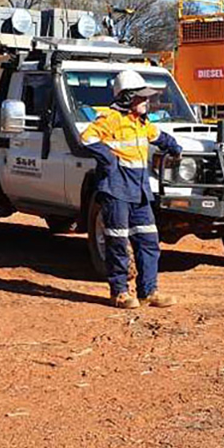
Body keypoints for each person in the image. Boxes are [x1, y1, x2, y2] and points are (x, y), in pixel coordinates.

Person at [80, 70, 183, 309]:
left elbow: (158, 136)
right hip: (116, 188)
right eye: (141, 97)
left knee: (148, 240)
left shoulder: (142, 122)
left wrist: (174, 146)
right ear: (126, 97)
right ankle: (120, 292)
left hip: (139, 190)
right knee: (117, 241)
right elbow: (87, 138)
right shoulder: (111, 118)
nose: (147, 101)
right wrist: (108, 159)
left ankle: (148, 292)